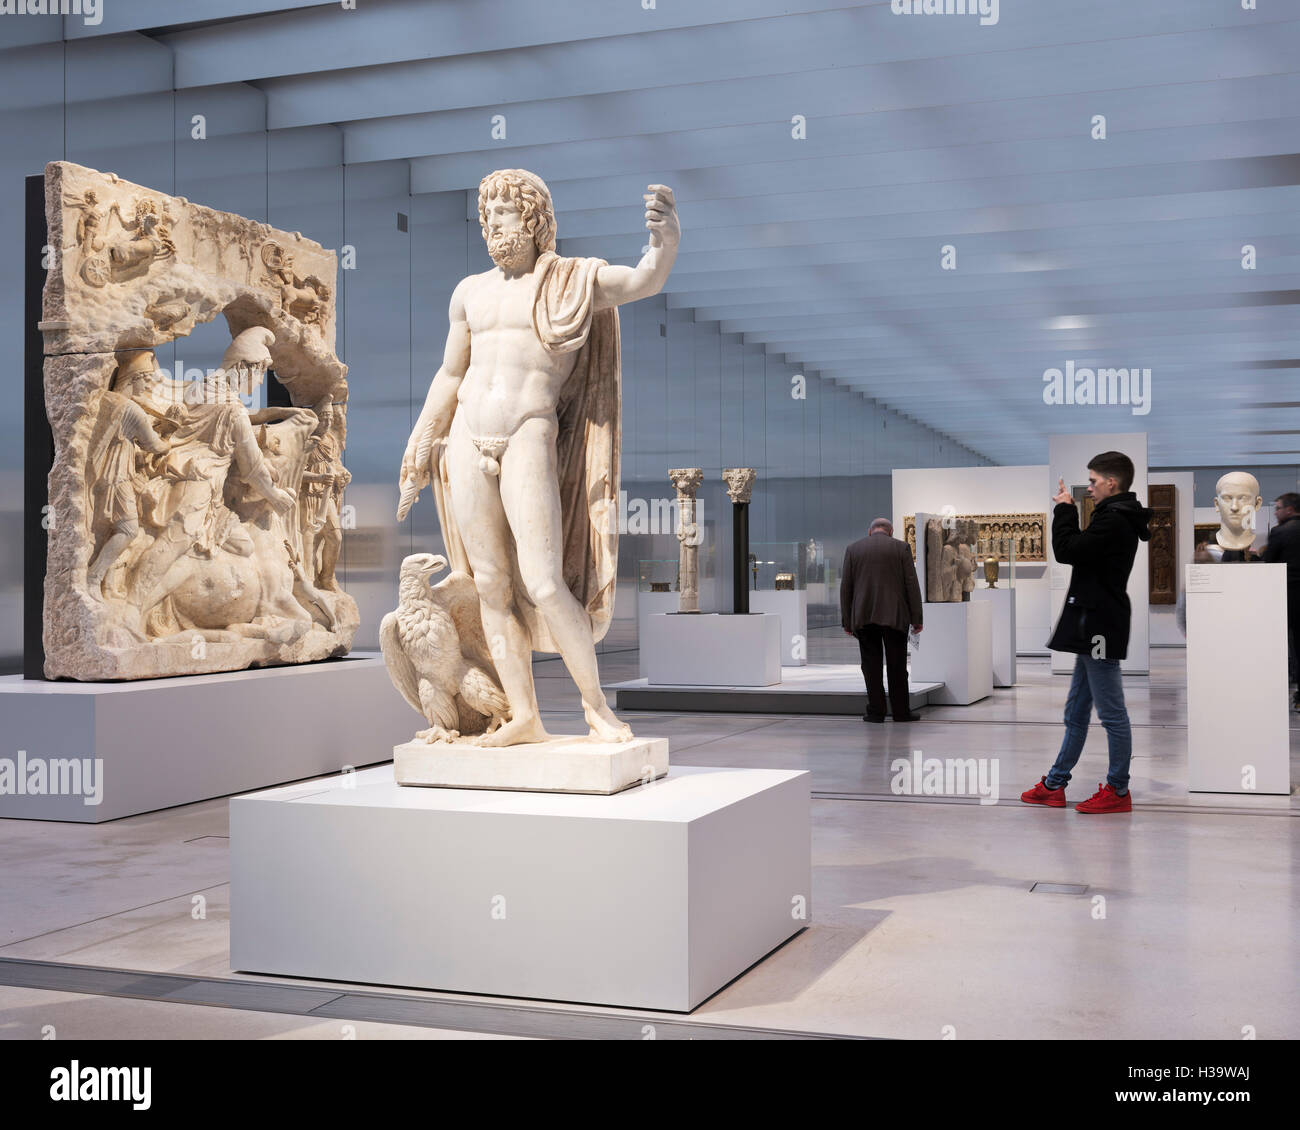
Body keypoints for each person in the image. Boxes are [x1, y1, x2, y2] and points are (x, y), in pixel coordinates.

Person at [397, 169, 680, 746]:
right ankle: (524, 715)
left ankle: (596, 706)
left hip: (528, 432)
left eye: (500, 213)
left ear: (532, 217)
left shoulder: (571, 281)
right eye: (485, 215)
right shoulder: (469, 292)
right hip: (469, 436)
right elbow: (451, 374)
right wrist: (421, 438)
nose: (490, 224)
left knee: (546, 583)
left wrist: (664, 242)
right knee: (490, 585)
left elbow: (643, 281)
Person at [1022, 452, 1150, 813]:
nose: (1089, 487)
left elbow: (1068, 550)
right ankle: (1054, 783)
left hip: (1099, 627)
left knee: (1111, 713)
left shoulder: (1114, 519)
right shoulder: (1114, 516)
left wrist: (1065, 510)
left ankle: (1118, 790)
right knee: (1077, 711)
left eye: (1093, 481)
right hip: (1094, 623)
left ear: (1112, 482)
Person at [840, 518, 924, 723]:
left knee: (870, 666)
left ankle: (876, 712)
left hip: (864, 616)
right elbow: (911, 584)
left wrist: (847, 621)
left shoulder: (853, 549)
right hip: (895, 615)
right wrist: (917, 618)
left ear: (870, 532)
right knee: (897, 665)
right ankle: (901, 712)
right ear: (891, 531)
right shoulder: (901, 548)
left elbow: (846, 588)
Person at [1263, 492, 1300, 707]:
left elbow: (1270, 564)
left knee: (1284, 642)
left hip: (1289, 593)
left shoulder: (1279, 532)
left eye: (1278, 508)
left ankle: (1280, 690)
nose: (1276, 512)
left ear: (1289, 509)